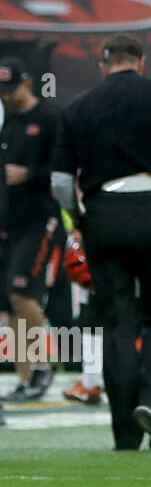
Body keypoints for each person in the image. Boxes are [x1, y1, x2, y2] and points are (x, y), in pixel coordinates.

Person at [51, 34, 151, 451]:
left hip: (100, 214)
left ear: (104, 64)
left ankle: (124, 432)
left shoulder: (77, 106)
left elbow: (61, 180)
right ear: (142, 62)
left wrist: (78, 219)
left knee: (117, 321)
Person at [0, 57, 61, 401]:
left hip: (40, 219)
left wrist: (30, 175)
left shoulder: (49, 118)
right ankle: (26, 379)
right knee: (11, 302)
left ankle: (41, 366)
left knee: (23, 294)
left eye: (11, 89)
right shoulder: (8, 123)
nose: (7, 96)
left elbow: (65, 166)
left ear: (26, 83)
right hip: (9, 221)